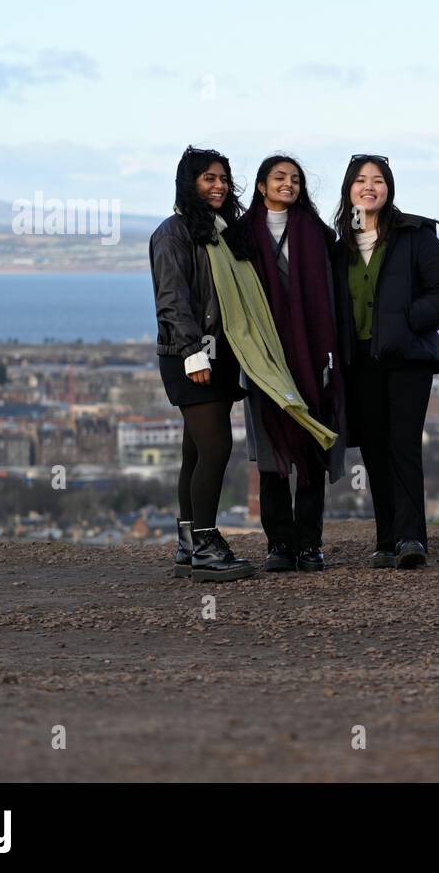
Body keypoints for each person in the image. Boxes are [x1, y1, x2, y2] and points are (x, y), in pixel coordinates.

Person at [330, 155, 439, 569]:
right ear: (349, 189)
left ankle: (411, 538)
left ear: (389, 188)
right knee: (373, 449)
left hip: (407, 359)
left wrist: (406, 323)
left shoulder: (415, 234)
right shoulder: (339, 247)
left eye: (378, 180)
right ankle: (386, 538)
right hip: (359, 361)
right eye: (361, 180)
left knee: (402, 445)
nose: (370, 187)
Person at [232, 154, 345, 572]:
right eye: (279, 177)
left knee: (312, 450)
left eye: (295, 179)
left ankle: (309, 544)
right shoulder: (240, 236)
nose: (289, 184)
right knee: (271, 455)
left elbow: (331, 299)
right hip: (263, 361)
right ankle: (279, 544)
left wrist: (332, 354)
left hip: (313, 358)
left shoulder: (317, 233)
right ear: (261, 185)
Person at [150, 146, 257, 583]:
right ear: (189, 183)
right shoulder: (173, 232)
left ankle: (188, 543)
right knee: (215, 448)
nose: (217, 186)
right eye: (208, 178)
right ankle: (208, 545)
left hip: (220, 355)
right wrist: (194, 353)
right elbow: (173, 298)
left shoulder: (222, 231)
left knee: (194, 450)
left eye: (222, 178)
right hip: (190, 355)